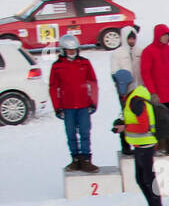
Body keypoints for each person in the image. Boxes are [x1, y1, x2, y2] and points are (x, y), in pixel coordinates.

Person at [49, 33, 99, 173]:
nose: (72, 53)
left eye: (74, 50)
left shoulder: (84, 63)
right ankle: (75, 159)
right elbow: (53, 87)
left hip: (83, 105)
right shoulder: (57, 66)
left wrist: (93, 102)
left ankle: (86, 159)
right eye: (69, 51)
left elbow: (93, 83)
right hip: (67, 106)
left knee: (85, 133)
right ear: (63, 51)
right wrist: (57, 107)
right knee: (71, 134)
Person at [114, 79, 162, 206]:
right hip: (140, 144)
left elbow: (143, 126)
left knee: (146, 178)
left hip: (145, 144)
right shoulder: (133, 99)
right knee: (141, 179)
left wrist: (125, 128)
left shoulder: (136, 101)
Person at [140, 23, 169, 153]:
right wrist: (152, 92)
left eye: (167, 36)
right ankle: (161, 145)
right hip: (158, 94)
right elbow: (145, 73)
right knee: (160, 120)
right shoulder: (148, 51)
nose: (165, 38)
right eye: (163, 36)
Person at [109, 25, 142, 151]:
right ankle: (125, 145)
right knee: (126, 117)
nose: (131, 41)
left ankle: (139, 142)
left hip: (139, 89)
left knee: (139, 116)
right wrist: (121, 86)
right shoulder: (117, 53)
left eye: (133, 39)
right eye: (129, 39)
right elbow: (114, 72)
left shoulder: (140, 51)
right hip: (125, 91)